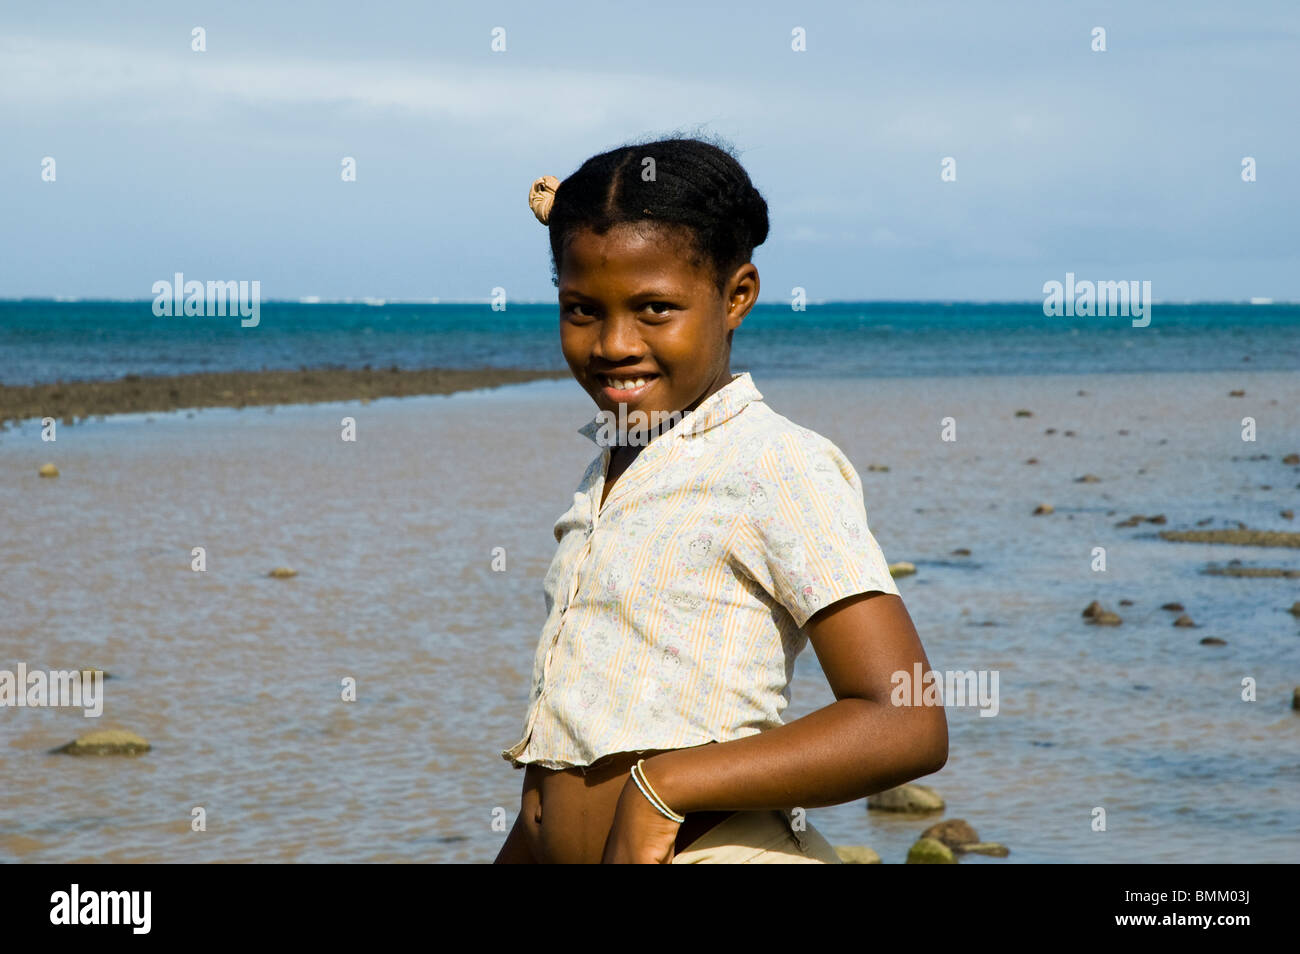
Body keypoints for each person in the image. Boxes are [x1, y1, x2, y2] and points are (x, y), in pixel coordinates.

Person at [494, 135, 947, 864]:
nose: (613, 343)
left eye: (654, 308)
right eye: (582, 309)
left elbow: (908, 720)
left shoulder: (773, 463)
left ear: (737, 296)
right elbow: (569, 755)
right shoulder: (612, 468)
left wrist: (661, 788)